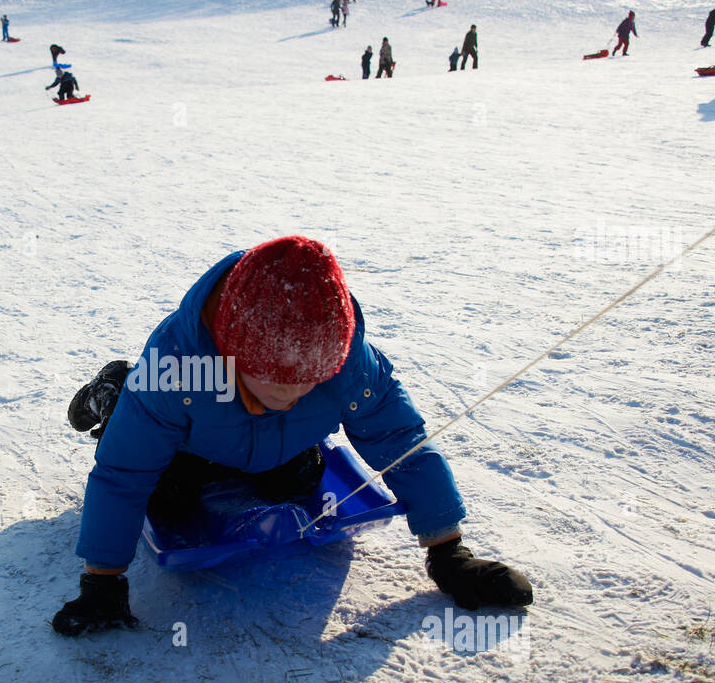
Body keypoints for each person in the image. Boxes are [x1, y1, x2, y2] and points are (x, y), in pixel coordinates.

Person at [53, 236, 534, 636]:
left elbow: (401, 441)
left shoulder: (346, 363)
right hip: (189, 442)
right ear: (234, 361)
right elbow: (123, 474)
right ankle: (114, 388)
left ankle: (261, 445)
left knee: (301, 485)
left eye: (313, 381)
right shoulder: (177, 371)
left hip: (276, 444)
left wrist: (448, 552)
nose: (299, 391)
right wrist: (104, 581)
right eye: (280, 381)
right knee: (169, 499)